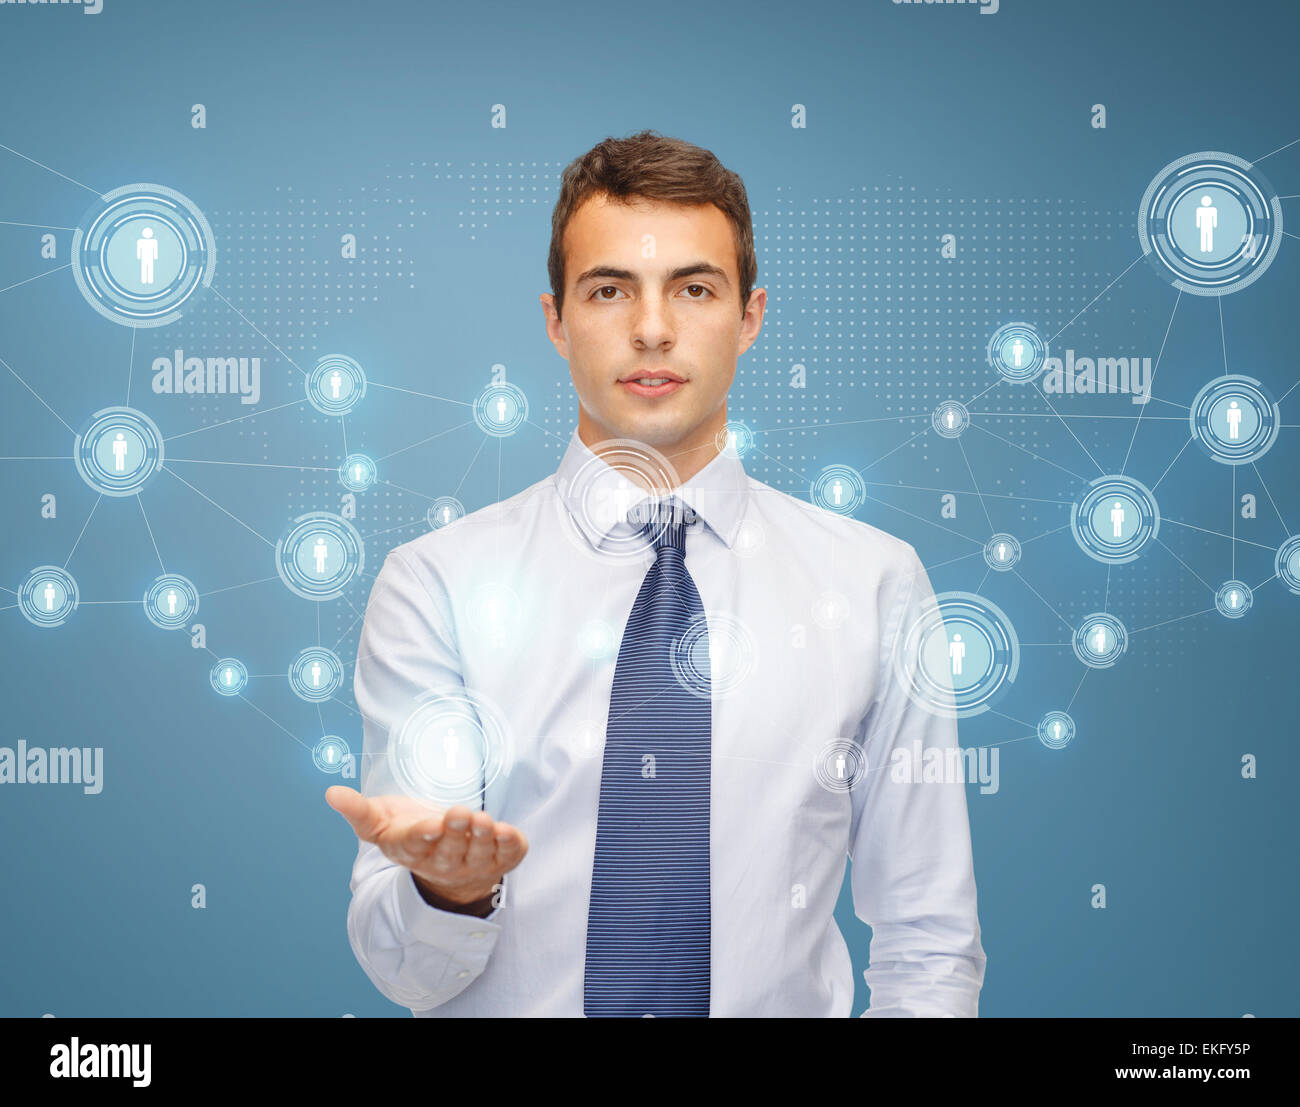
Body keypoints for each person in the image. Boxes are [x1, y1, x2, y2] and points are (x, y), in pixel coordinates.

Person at [326, 130, 986, 1017]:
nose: (652, 327)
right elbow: (403, 971)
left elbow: (928, 939)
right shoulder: (435, 585)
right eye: (609, 289)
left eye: (694, 288)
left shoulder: (873, 585)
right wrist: (448, 890)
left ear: (751, 317)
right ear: (556, 320)